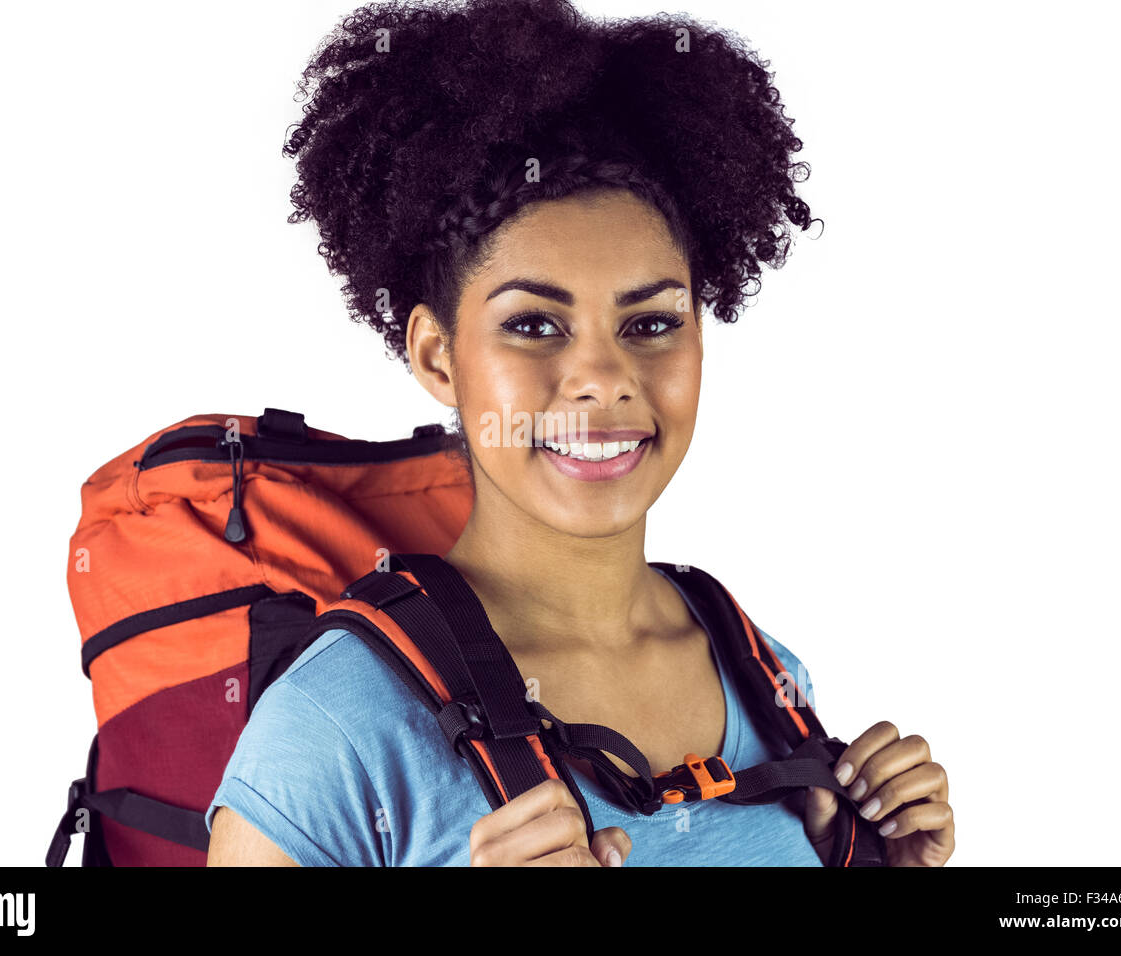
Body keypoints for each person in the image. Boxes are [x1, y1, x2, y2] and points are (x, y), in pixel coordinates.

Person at [206, 0, 954, 866]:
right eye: (534, 325)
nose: (603, 379)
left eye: (650, 324)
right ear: (439, 357)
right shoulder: (332, 723)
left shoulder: (766, 676)